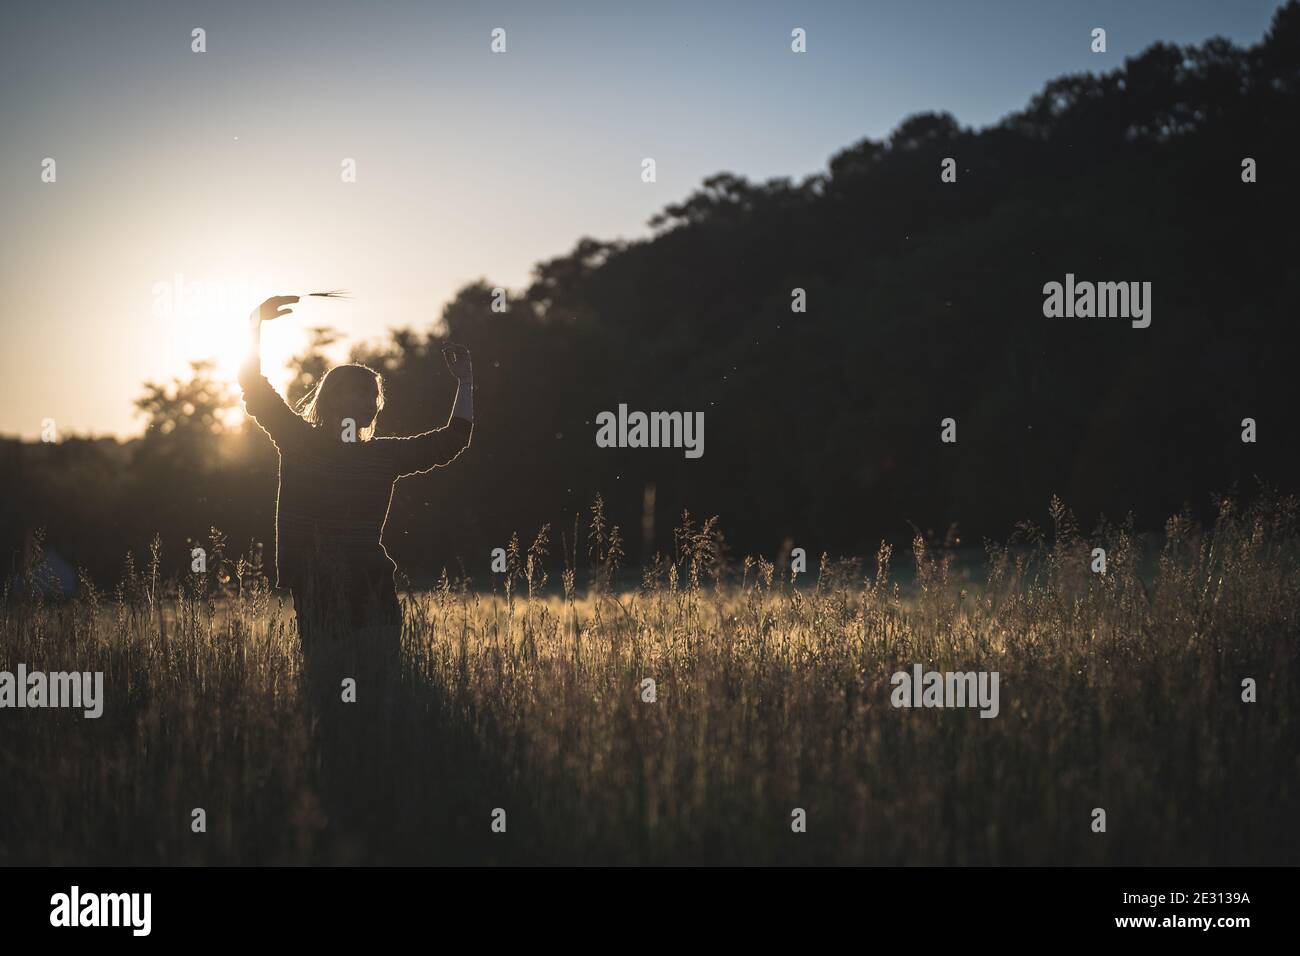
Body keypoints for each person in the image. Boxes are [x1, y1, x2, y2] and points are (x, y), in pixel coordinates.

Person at [239, 294, 474, 658]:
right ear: (332, 399)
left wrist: (465, 383)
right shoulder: (299, 441)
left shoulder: (382, 455)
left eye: (373, 395)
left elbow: (451, 441)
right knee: (327, 678)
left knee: (381, 679)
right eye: (360, 393)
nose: (370, 402)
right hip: (316, 582)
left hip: (371, 581)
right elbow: (254, 387)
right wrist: (254, 325)